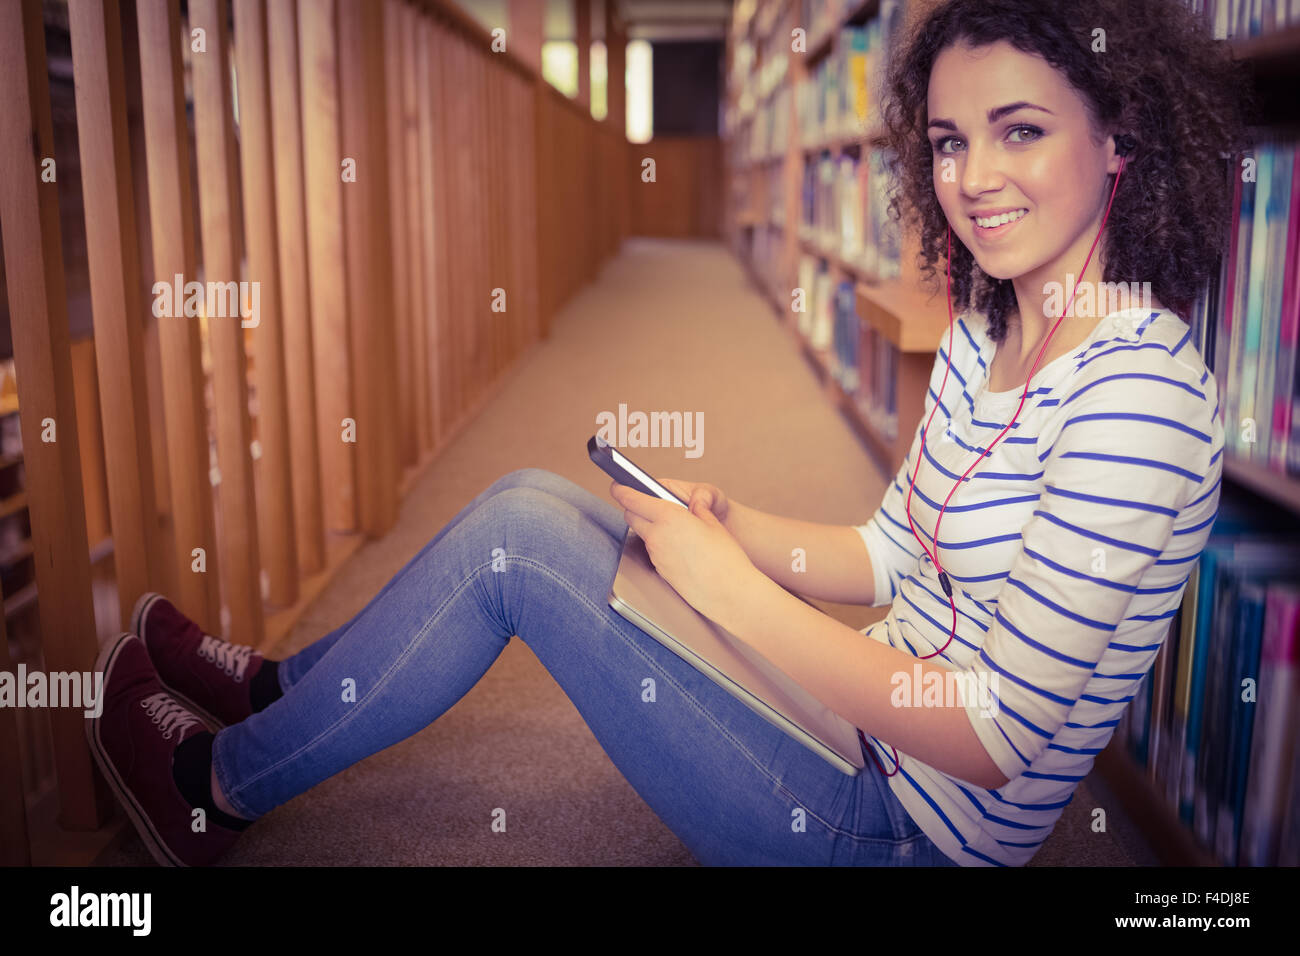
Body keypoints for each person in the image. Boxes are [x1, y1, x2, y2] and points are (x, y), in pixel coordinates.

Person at [87, 0, 1247, 867]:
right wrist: (736, 526)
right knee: (531, 502)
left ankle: (212, 786)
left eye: (1019, 131)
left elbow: (994, 736)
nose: (973, 177)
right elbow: (891, 550)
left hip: (894, 823)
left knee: (520, 548)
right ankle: (283, 690)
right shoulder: (986, 326)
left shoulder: (1137, 398)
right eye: (948, 141)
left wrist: (734, 592)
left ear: (1119, 138)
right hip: (846, 721)